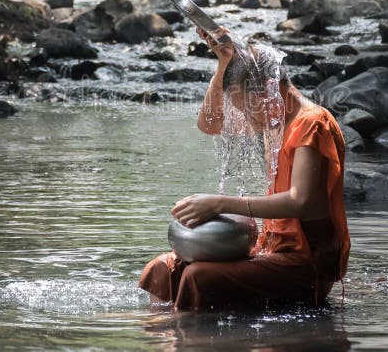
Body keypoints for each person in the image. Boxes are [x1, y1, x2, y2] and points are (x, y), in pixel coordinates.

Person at [138, 27, 350, 310]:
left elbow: (301, 200)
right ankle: (166, 335)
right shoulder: (274, 121)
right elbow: (210, 124)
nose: (248, 120)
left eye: (248, 109)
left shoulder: (313, 123)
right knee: (163, 269)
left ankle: (183, 337)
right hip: (270, 250)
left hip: (305, 264)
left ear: (269, 92)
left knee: (197, 276)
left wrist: (220, 203)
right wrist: (224, 63)